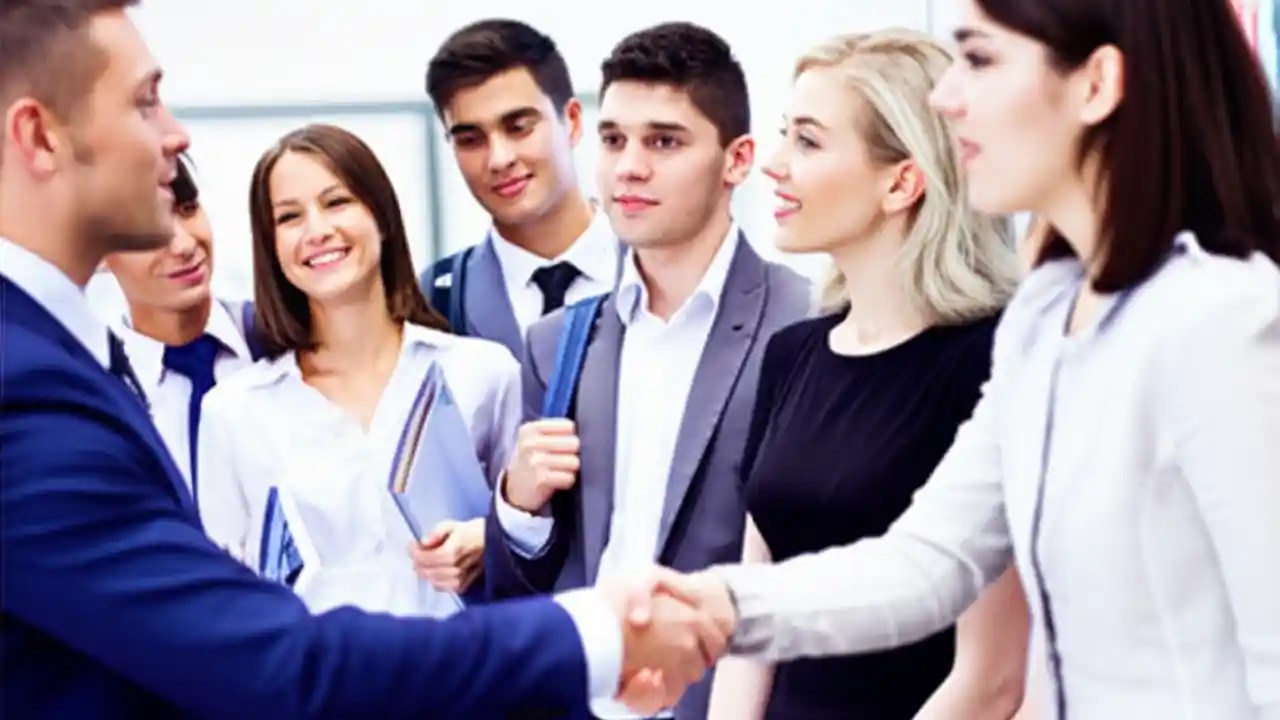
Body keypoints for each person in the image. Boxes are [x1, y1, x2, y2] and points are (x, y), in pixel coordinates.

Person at [0, 2, 728, 717]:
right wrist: (600, 634)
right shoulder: (30, 389)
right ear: (39, 136)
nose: (175, 134)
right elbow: (268, 659)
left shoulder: (475, 367)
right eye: (144, 102)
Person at [629, 0, 1280, 717]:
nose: (945, 97)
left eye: (979, 58)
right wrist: (711, 605)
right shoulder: (1043, 320)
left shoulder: (1225, 319)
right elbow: (930, 562)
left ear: (1095, 84)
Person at [485, 22, 811, 720]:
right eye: (612, 140)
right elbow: (521, 586)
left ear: (738, 159)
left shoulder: (807, 327)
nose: (629, 167)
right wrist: (518, 505)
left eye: (664, 141)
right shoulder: (558, 342)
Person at [706, 29, 1029, 720]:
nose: (775, 164)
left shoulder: (995, 359)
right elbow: (755, 619)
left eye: (809, 141)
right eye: (786, 133)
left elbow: (994, 677)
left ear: (902, 181)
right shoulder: (792, 354)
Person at [195, 123, 515, 615]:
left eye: (337, 202)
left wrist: (487, 536)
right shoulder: (235, 411)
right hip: (319, 685)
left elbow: (538, 550)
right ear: (272, 247)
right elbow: (224, 599)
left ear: (380, 216)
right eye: (289, 217)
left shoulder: (483, 374)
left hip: (468, 678)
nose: (317, 230)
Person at [422, 19, 620, 356]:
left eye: (519, 128)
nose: (499, 159)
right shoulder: (432, 303)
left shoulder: (663, 275)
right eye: (471, 140)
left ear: (571, 120)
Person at [103, 154, 260, 497]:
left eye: (188, 209)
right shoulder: (100, 397)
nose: (185, 244)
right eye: (147, 227)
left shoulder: (281, 342)